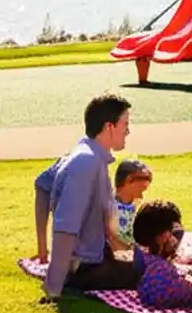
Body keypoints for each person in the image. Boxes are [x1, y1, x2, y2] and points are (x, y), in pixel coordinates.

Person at [38, 92, 139, 301]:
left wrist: (42, 250)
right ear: (109, 127)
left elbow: (42, 186)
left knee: (148, 261)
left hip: (94, 257)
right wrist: (53, 287)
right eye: (125, 124)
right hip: (86, 268)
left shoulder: (85, 154)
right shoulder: (86, 162)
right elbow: (66, 226)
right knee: (156, 271)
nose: (128, 131)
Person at [132, 200, 192, 309]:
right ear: (163, 236)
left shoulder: (138, 255)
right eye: (175, 232)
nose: (177, 239)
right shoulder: (162, 275)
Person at [111, 159, 153, 249]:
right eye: (140, 189)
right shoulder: (107, 205)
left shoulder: (136, 205)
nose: (141, 197)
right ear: (129, 180)